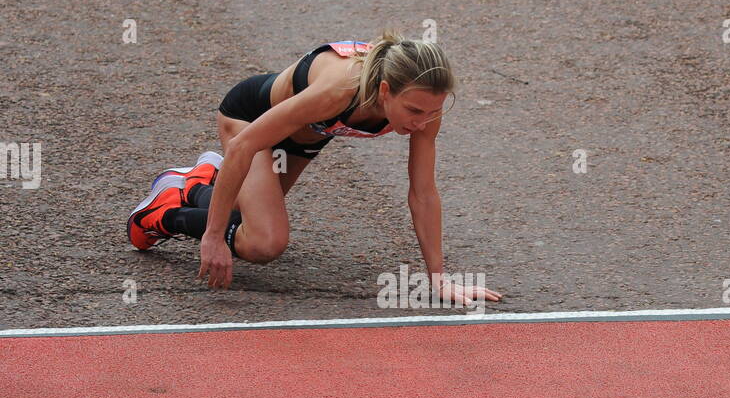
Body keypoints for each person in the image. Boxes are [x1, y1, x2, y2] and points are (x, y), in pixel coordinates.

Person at [126, 30, 501, 305]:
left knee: (243, 213)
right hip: (249, 121)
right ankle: (164, 213)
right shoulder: (339, 89)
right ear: (385, 91)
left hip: (303, 136)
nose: (423, 122)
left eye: (433, 111)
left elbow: (422, 193)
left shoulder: (427, 106)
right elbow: (245, 144)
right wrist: (211, 237)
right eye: (415, 112)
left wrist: (439, 280)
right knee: (263, 242)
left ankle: (193, 185)